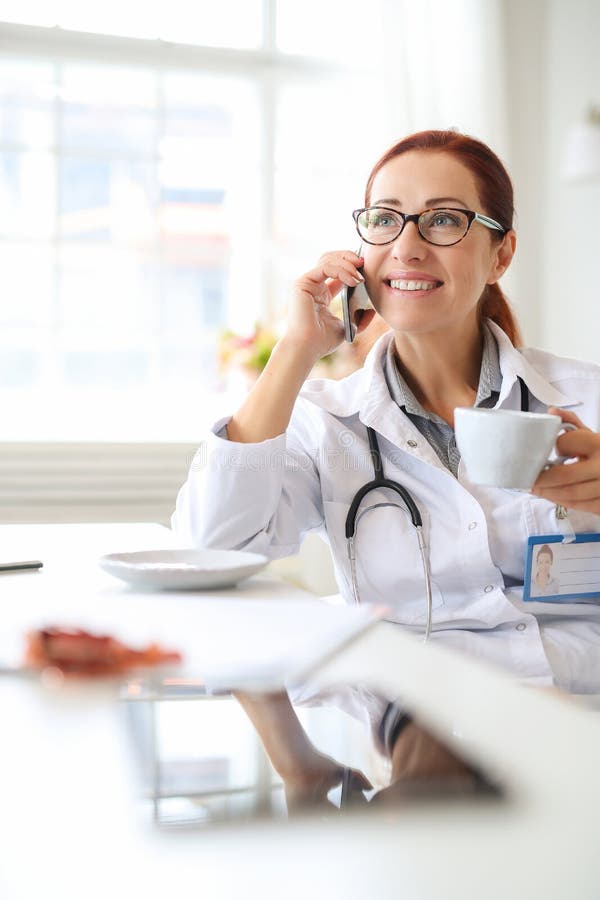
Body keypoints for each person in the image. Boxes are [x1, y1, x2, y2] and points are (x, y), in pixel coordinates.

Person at [173, 130, 600, 786]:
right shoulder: (325, 420)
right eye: (385, 218)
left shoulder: (585, 400)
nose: (406, 243)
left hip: (575, 713)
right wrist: (297, 347)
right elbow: (212, 550)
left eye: (444, 220)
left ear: (500, 254)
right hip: (412, 724)